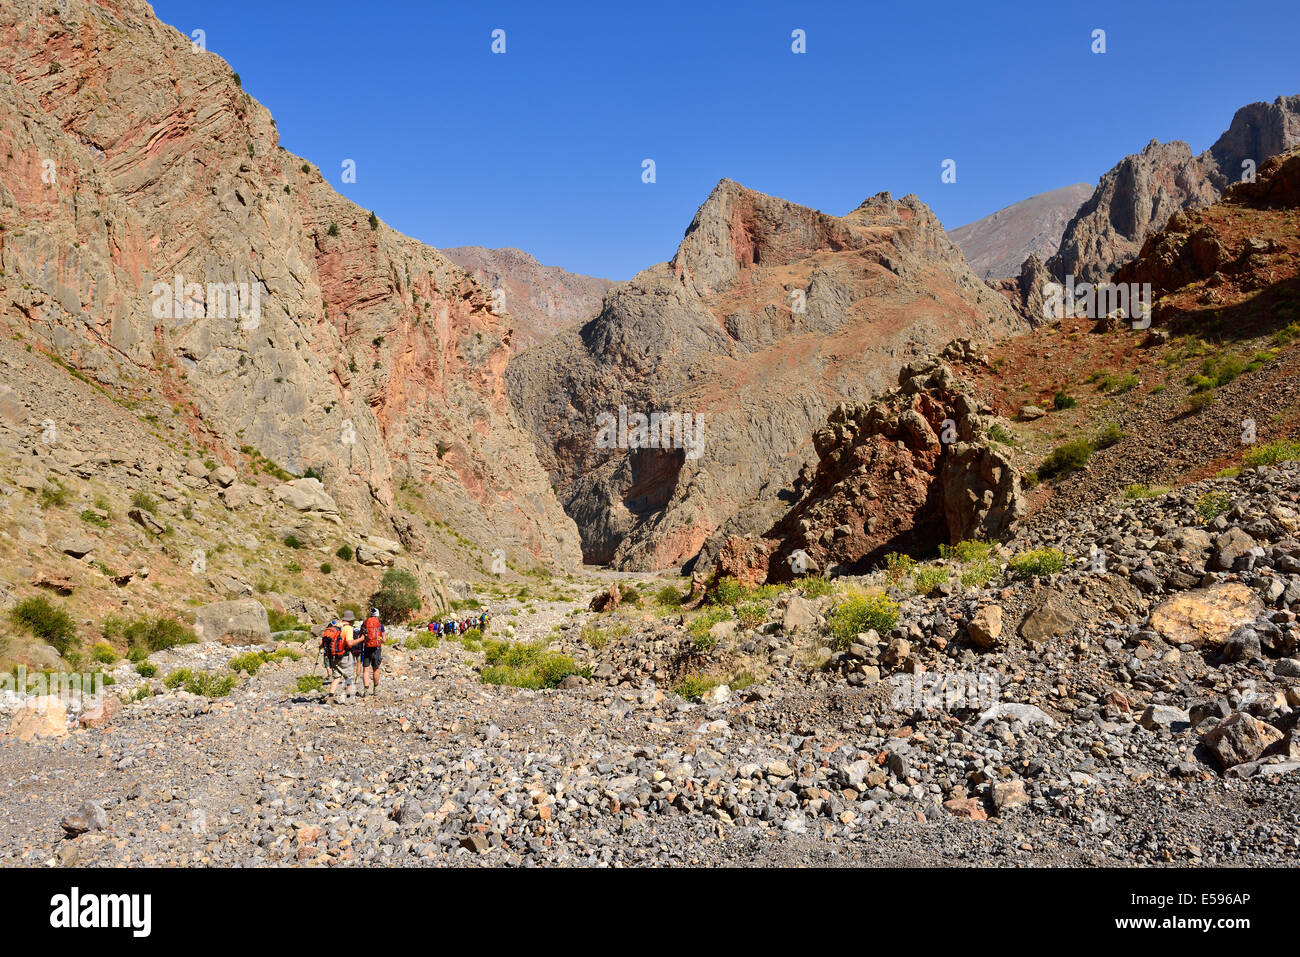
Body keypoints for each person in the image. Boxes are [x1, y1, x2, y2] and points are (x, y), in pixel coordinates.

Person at [321, 617, 360, 702]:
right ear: (351, 619)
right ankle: (349, 699)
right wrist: (361, 639)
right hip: (344, 656)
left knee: (337, 677)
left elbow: (322, 644)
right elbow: (349, 644)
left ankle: (330, 696)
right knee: (348, 677)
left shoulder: (335, 626)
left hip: (333, 656)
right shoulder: (348, 628)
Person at [359, 607, 385, 697]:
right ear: (378, 614)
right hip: (376, 649)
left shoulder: (365, 623)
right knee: (375, 669)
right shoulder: (380, 625)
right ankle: (376, 689)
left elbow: (361, 637)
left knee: (366, 669)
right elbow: (384, 640)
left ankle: (366, 691)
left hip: (366, 648)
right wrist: (378, 639)